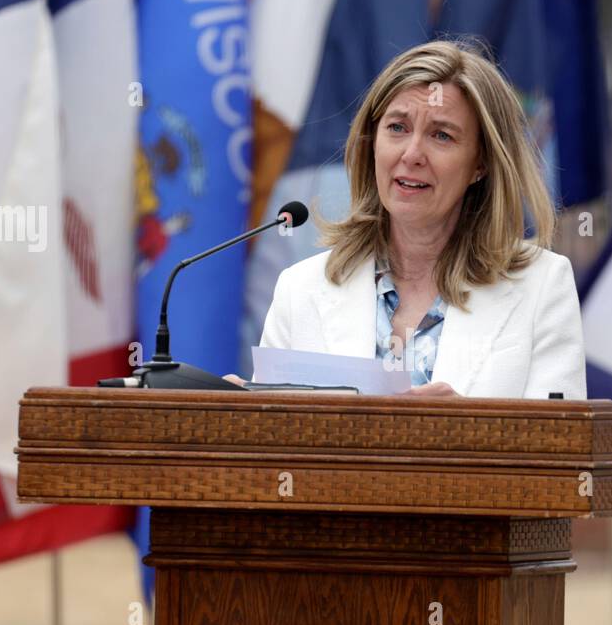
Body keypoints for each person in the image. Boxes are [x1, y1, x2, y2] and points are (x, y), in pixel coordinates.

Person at [230, 39, 585, 399]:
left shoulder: (543, 287)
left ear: (481, 164)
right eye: (397, 128)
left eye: (441, 135)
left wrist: (465, 430)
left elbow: (562, 449)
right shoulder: (301, 289)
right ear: (372, 142)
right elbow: (276, 453)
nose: (412, 154)